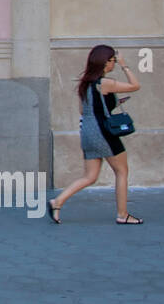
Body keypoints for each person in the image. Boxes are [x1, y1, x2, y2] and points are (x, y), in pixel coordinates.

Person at [48, 45, 142, 224]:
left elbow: (84, 111)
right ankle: (123, 215)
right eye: (113, 61)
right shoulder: (105, 83)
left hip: (88, 133)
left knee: (89, 176)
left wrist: (111, 102)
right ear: (106, 62)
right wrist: (125, 65)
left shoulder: (85, 84)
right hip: (104, 133)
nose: (114, 64)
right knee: (122, 171)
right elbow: (135, 85)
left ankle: (57, 202)